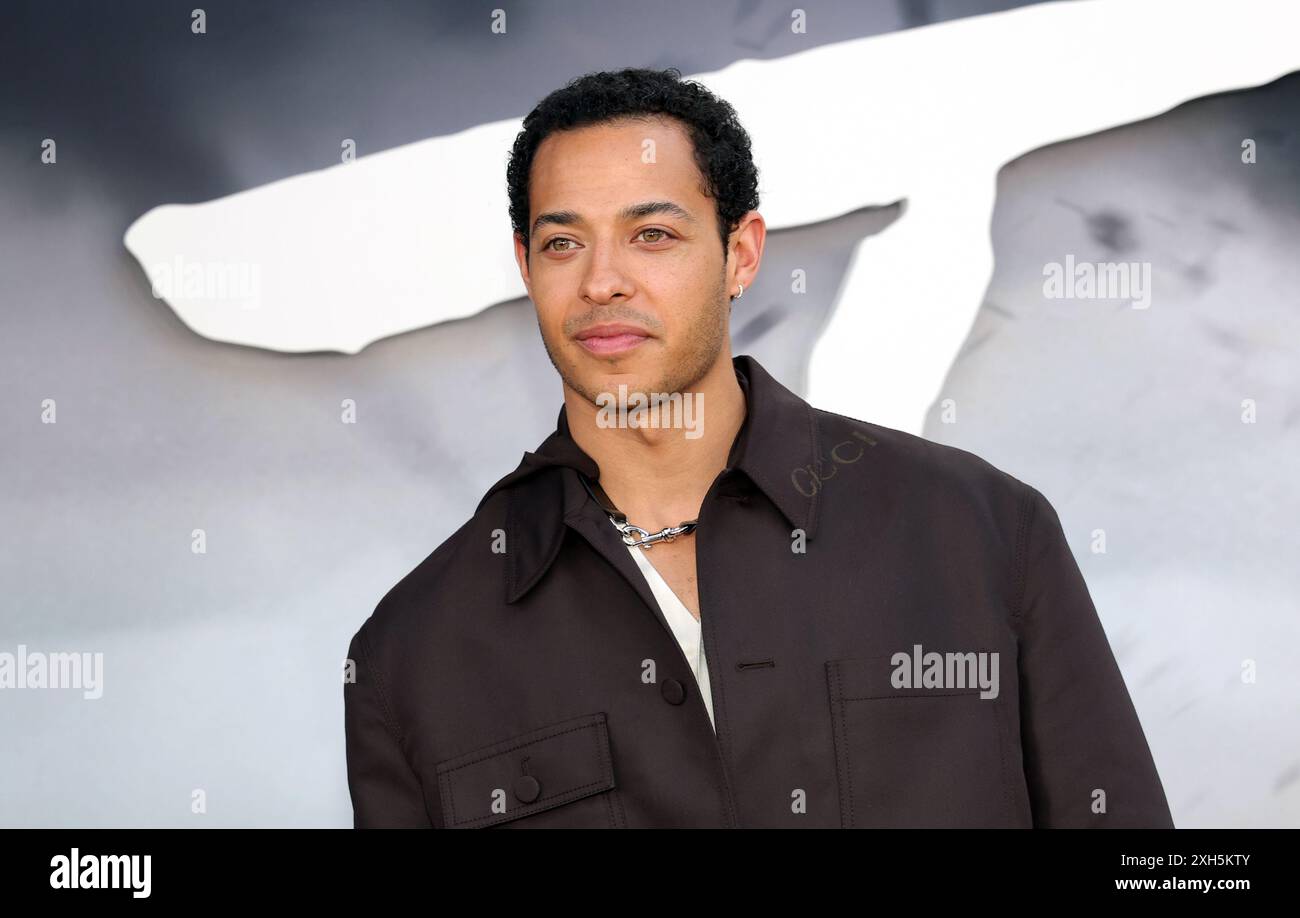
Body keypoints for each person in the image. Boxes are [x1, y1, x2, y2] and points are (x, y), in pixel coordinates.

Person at [344, 67, 1173, 828]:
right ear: (527, 266)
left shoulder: (982, 534)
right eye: (564, 243)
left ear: (739, 253)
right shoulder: (413, 655)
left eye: (653, 235)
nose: (602, 281)